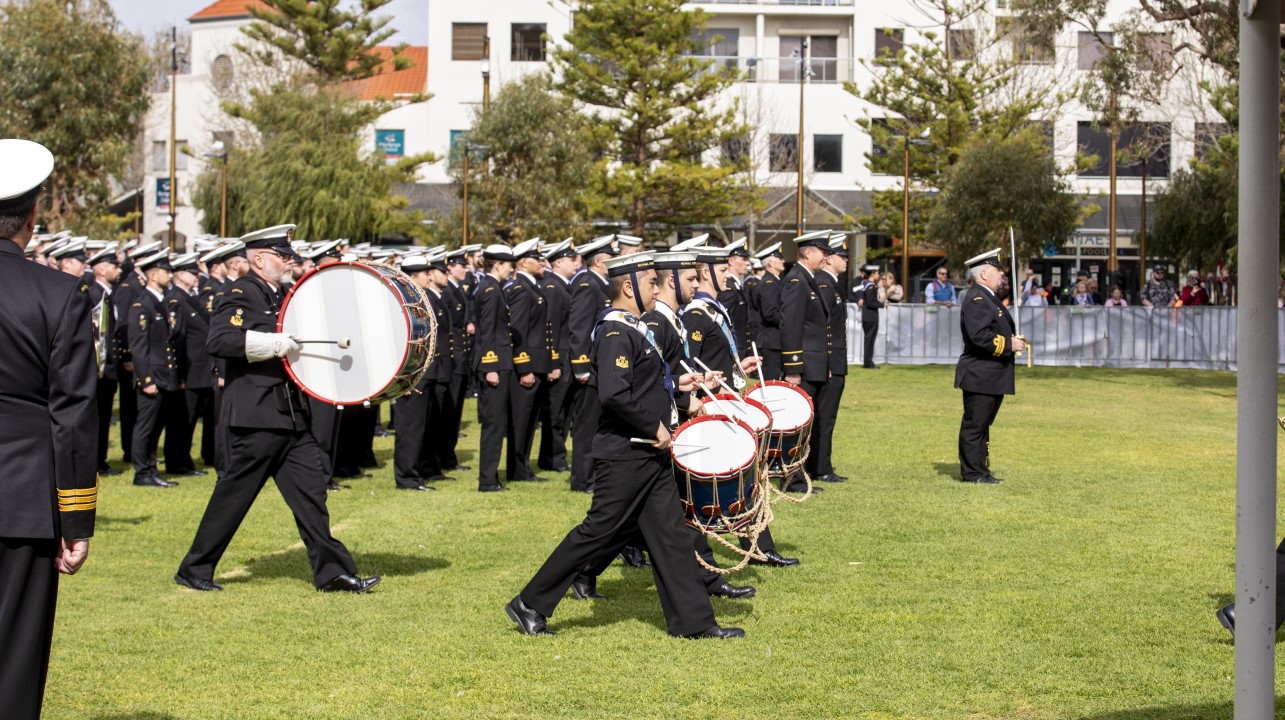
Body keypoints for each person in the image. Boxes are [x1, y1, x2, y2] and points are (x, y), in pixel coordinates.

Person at [504, 250, 745, 639]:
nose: (657, 288)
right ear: (629, 286)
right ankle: (529, 602)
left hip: (647, 453)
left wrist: (680, 393)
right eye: (651, 282)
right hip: (625, 452)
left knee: (671, 536)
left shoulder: (635, 329)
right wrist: (655, 425)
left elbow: (645, 387)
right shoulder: (616, 331)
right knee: (596, 532)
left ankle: (695, 623)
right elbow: (614, 395)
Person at [176, 224, 379, 594]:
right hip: (256, 415)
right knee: (233, 498)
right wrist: (272, 343)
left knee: (311, 495)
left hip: (291, 414)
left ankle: (332, 572)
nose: (290, 262)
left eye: (289, 255)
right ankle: (195, 568)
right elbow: (219, 340)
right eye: (282, 256)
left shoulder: (284, 294)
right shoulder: (240, 292)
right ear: (258, 258)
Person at [0, 138, 98, 719]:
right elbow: (74, 417)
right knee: (14, 657)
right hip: (24, 500)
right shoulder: (59, 294)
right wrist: (76, 518)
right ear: (33, 218)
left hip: (24, 497)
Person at [954, 249, 1024, 485]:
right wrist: (1008, 344)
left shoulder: (987, 298)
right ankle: (973, 472)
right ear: (984, 273)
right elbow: (980, 336)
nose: (1001, 276)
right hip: (980, 372)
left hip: (990, 374)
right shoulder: (977, 299)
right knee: (975, 425)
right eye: (997, 271)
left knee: (983, 424)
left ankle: (981, 469)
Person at [392, 254, 453, 491]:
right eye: (425, 274)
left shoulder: (424, 298)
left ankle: (422, 470)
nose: (431, 277)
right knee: (410, 428)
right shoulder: (403, 302)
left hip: (427, 371)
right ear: (413, 277)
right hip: (412, 373)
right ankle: (407, 477)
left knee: (424, 426)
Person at [126, 250, 183, 488]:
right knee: (146, 426)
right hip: (153, 376)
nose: (169, 275)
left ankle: (151, 468)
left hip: (164, 375)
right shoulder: (142, 305)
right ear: (152, 275)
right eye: (165, 271)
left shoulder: (159, 302)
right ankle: (142, 472)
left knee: (157, 425)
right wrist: (146, 379)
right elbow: (139, 348)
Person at [566, 235, 617, 494]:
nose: (614, 260)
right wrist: (581, 366)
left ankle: (591, 477)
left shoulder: (601, 285)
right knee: (586, 427)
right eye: (610, 257)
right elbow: (579, 328)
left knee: (595, 424)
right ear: (598, 261)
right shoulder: (588, 284)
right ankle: (582, 480)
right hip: (588, 368)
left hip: (597, 367)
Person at [504, 238, 555, 483]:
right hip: (527, 367)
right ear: (524, 262)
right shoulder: (521, 290)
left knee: (530, 419)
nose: (543, 263)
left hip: (537, 365)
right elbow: (517, 332)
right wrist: (524, 368)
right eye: (538, 259)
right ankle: (517, 468)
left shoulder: (532, 288)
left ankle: (522, 466)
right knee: (521, 420)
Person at [472, 243, 518, 492]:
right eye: (510, 265)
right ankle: (487, 479)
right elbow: (487, 331)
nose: (512, 270)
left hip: (499, 362)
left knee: (496, 424)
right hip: (494, 364)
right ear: (497, 264)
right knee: (494, 425)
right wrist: (490, 366)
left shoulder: (492, 287)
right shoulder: (490, 289)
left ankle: (490, 477)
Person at [811, 235, 849, 484]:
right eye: (841, 256)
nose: (846, 260)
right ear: (827, 259)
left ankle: (823, 464)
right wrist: (827, 363)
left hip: (834, 360)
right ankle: (820, 467)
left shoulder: (831, 284)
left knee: (828, 417)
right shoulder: (824, 285)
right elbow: (820, 327)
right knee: (824, 418)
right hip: (829, 362)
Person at [537, 240, 577, 473]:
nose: (576, 264)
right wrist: (552, 362)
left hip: (566, 357)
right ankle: (553, 457)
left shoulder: (563, 286)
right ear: (558, 262)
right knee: (554, 411)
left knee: (564, 410)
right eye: (571, 260)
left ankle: (555, 455)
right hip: (558, 359)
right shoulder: (553, 287)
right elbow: (549, 328)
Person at [86, 244, 123, 476]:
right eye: (113, 265)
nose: (118, 269)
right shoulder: (92, 295)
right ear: (100, 270)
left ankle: (101, 460)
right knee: (96, 418)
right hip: (97, 369)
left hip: (110, 368)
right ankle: (95, 462)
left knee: (105, 416)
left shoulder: (108, 294)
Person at [749, 243, 785, 380]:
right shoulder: (769, 284)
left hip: (774, 340)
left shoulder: (774, 281)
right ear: (770, 262)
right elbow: (770, 314)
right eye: (779, 258)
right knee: (771, 381)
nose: (783, 261)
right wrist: (789, 322)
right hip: (771, 341)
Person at [860, 264, 883, 369]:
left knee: (869, 340)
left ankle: (868, 361)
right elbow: (870, 303)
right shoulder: (870, 285)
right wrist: (882, 304)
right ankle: (868, 362)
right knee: (869, 340)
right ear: (873, 274)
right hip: (870, 316)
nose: (878, 275)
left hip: (869, 316)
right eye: (877, 273)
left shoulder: (869, 284)